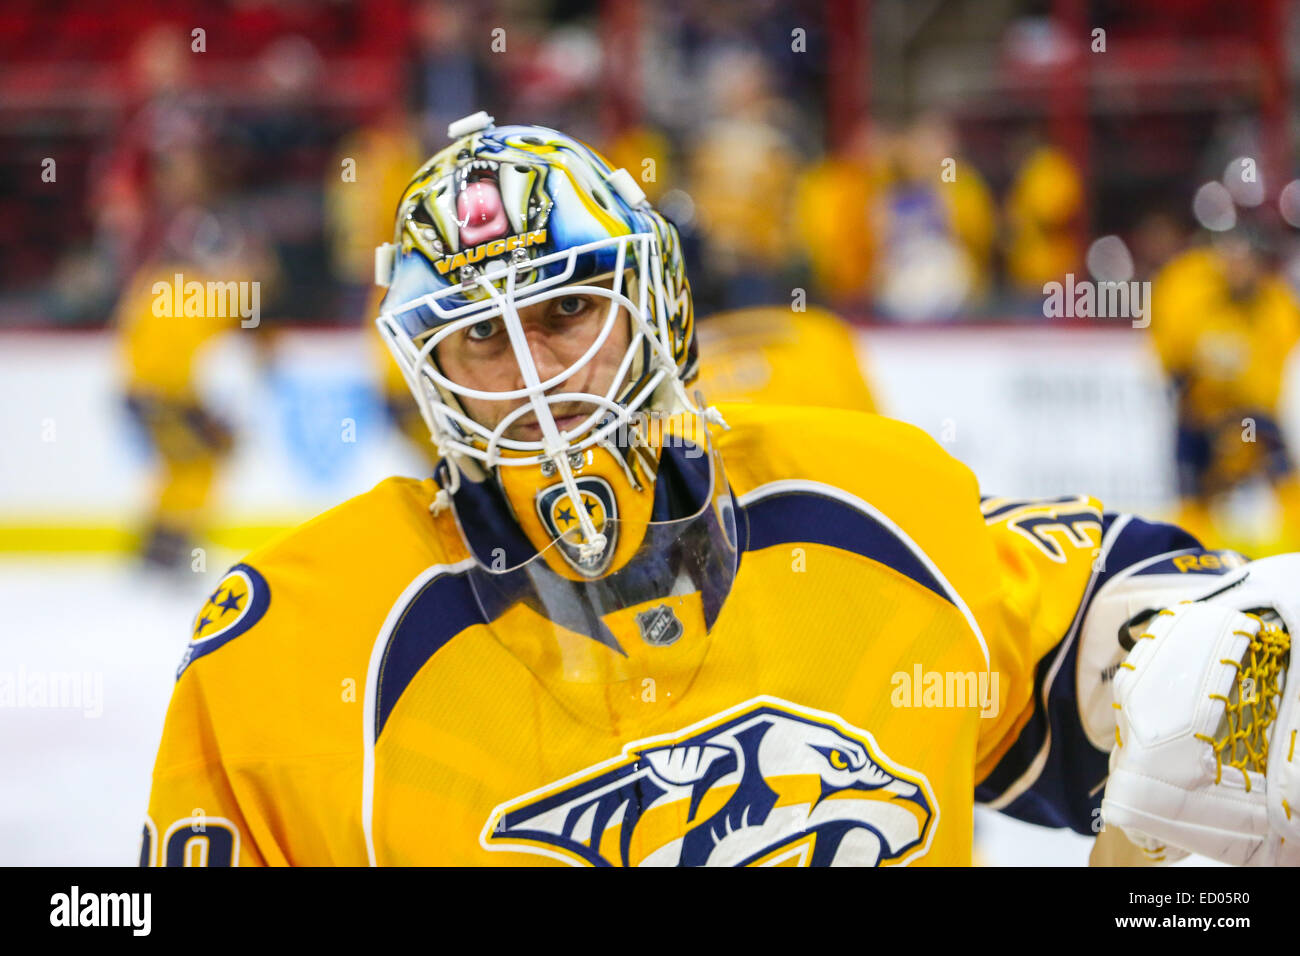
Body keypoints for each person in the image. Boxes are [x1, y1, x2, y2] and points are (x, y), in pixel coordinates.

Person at [142, 115, 1299, 867]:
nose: (536, 380)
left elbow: (1141, 624)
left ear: (655, 304)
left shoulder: (865, 506)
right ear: (421, 371)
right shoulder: (294, 649)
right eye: (478, 341)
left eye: (562, 313)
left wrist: (1197, 670)